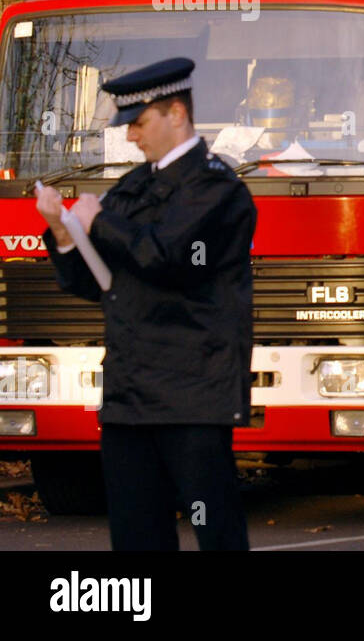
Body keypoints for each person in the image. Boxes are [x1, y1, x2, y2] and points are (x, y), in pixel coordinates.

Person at [36, 57, 257, 551]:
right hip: (130, 398)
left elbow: (169, 258)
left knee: (213, 526)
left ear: (176, 113)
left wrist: (100, 223)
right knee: (136, 535)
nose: (131, 136)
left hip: (193, 399)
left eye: (138, 123)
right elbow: (97, 283)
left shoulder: (219, 190)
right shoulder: (133, 189)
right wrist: (62, 231)